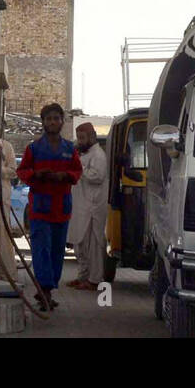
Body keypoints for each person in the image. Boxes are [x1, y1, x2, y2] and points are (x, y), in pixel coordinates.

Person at [16, 103, 81, 311]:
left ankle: (48, 289)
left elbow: (77, 172)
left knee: (56, 251)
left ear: (62, 121)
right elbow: (22, 171)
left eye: (56, 118)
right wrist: (36, 174)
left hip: (61, 208)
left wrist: (66, 176)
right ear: (43, 122)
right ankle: (43, 289)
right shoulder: (33, 148)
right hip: (40, 208)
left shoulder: (70, 149)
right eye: (49, 119)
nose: (53, 122)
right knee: (40, 249)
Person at [67, 122, 108, 291]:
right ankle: (82, 276)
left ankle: (95, 279)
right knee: (80, 243)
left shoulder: (98, 155)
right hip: (80, 206)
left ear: (92, 136)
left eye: (83, 138)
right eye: (79, 138)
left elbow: (97, 176)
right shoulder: (83, 154)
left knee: (94, 245)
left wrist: (79, 168)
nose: (80, 141)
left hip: (92, 208)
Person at [0, 118, 18, 281]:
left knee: (1, 235)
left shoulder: (6, 147)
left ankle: (6, 275)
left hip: (1, 197)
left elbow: (14, 171)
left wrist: (0, 170)